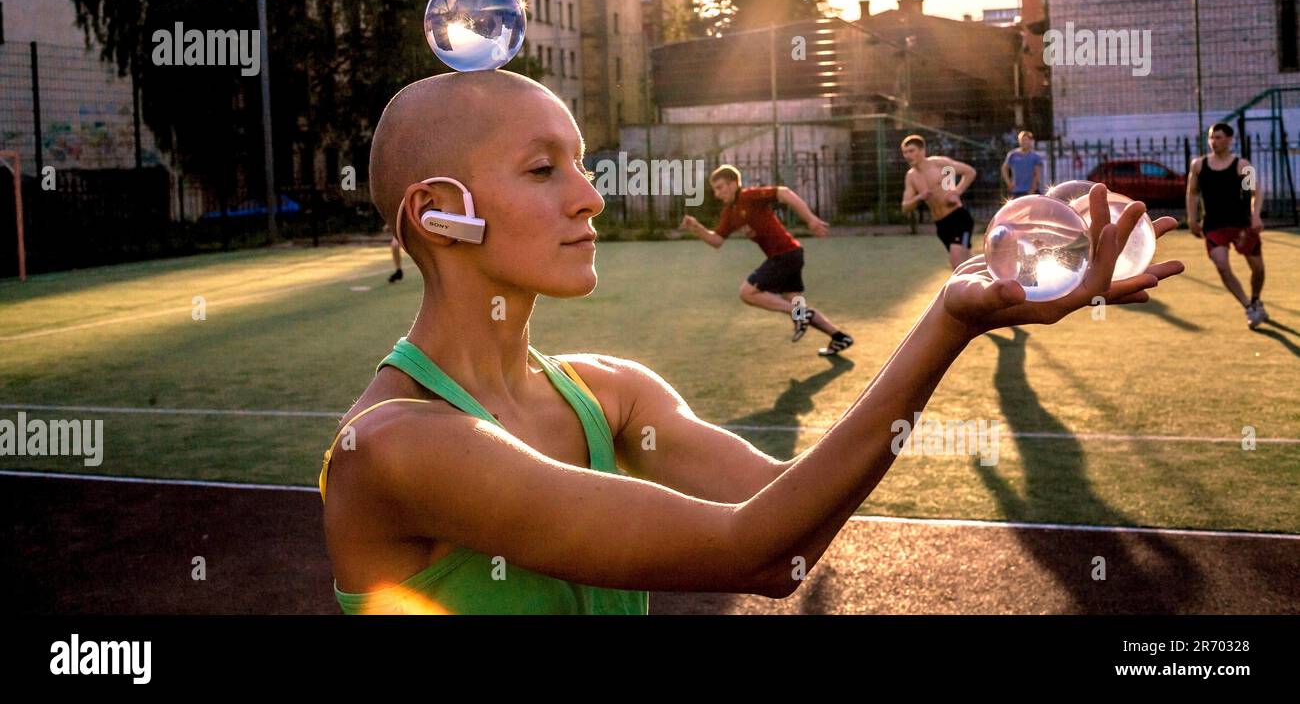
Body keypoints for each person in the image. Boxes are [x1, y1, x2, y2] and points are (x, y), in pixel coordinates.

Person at [318, 70, 1182, 614]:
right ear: (438, 213)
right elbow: (754, 551)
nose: (590, 198)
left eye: (581, 164)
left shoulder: (608, 391)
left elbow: (791, 521)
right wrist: (947, 320)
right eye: (545, 170)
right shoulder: (396, 447)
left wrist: (974, 287)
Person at [680, 166, 853, 357]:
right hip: (789, 255)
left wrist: (810, 219)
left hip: (785, 255)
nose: (717, 193)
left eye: (720, 187)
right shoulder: (730, 212)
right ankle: (839, 337)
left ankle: (800, 314)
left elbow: (785, 193)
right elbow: (716, 241)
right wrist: (697, 228)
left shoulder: (749, 197)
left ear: (733, 184)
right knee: (793, 299)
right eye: (715, 189)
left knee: (747, 293)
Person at [1186, 122, 1267, 328]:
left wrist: (1255, 215)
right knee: (1221, 265)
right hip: (1214, 225)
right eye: (1211, 137)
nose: (1214, 142)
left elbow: (1255, 192)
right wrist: (1192, 218)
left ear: (1230, 139)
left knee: (1257, 268)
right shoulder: (1199, 166)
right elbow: (1193, 193)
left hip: (1241, 225)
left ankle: (1256, 299)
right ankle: (1248, 307)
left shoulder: (1241, 165)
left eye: (1219, 137)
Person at [900, 134, 978, 270]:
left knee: (957, 264)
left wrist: (956, 192)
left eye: (911, 151)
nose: (907, 155)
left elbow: (969, 172)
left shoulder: (939, 164)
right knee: (967, 262)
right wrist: (920, 197)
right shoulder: (911, 176)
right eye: (905, 152)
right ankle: (991, 281)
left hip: (958, 219)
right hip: (941, 225)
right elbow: (905, 207)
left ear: (922, 150)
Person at [1001, 130, 1045, 199]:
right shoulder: (1013, 154)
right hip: (1016, 190)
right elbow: (1004, 168)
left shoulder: (1035, 156)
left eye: (1025, 140)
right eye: (1021, 140)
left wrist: (1033, 187)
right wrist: (1008, 182)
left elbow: (1037, 173)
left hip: (1030, 190)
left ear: (1030, 141)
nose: (1023, 142)